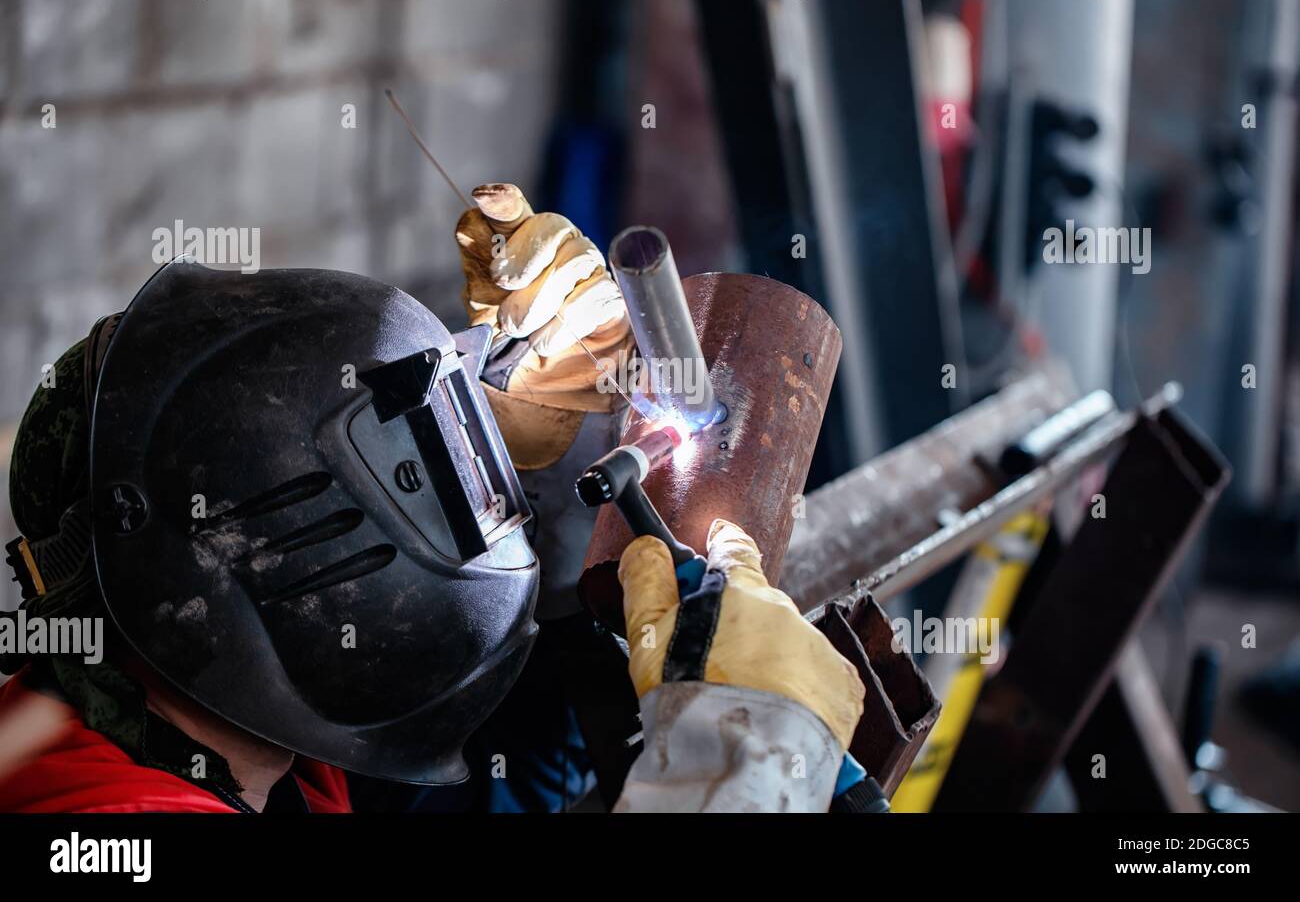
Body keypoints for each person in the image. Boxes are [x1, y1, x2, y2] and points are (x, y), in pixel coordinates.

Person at [0, 185, 865, 812]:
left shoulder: (275, 744)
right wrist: (749, 765)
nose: (477, 457)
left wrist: (557, 494)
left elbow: (501, 777)